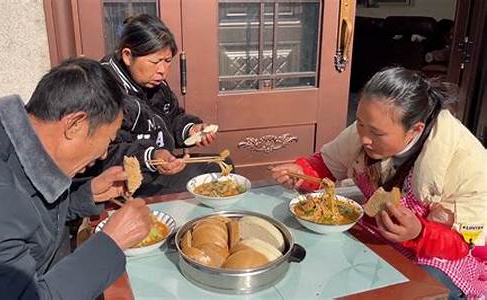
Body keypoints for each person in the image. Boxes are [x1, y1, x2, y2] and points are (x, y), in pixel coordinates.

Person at [272, 67, 487, 298]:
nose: (364, 138)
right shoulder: (366, 132)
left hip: (447, 255)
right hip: (384, 234)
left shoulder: (467, 161)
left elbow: (465, 242)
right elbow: (325, 166)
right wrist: (300, 172)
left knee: (411, 291)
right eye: (360, 123)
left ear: (415, 129)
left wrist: (418, 232)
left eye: (376, 133)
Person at [0, 58, 152, 299]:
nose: (105, 154)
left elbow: (30, 216)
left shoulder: (14, 138)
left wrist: (85, 195)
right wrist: (111, 244)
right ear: (75, 124)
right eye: (108, 140)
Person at [93, 14, 227, 196]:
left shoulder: (155, 82)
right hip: (128, 183)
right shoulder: (103, 89)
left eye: (167, 61)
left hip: (161, 167)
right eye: (155, 62)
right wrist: (152, 156)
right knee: (213, 176)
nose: (162, 70)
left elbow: (172, 117)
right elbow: (104, 153)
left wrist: (190, 130)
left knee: (221, 166)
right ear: (127, 55)